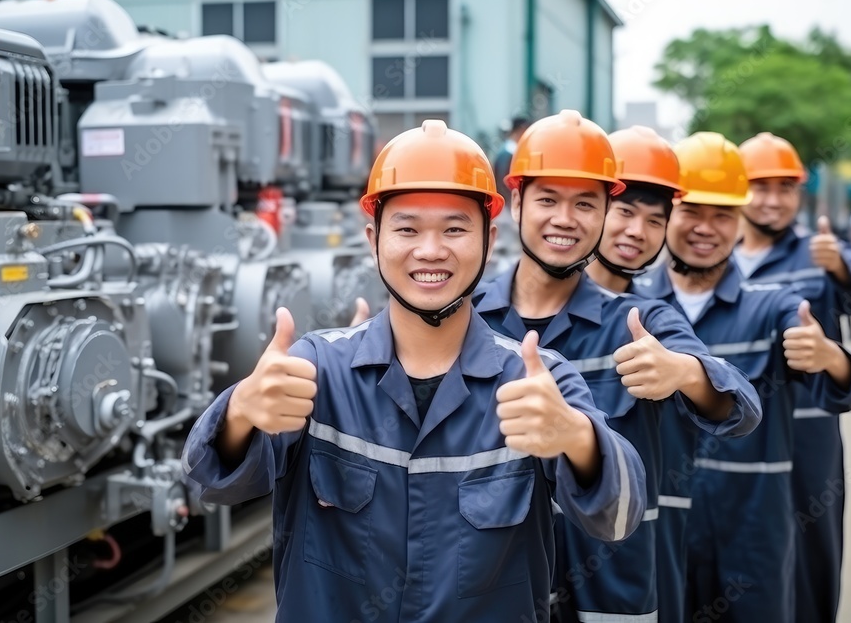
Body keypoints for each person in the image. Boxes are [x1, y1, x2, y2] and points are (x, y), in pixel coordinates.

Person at [182, 119, 647, 622]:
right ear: (373, 237)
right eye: (406, 228)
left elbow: (619, 518)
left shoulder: (536, 382)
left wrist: (576, 438)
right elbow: (208, 484)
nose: (430, 250)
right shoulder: (317, 372)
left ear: (489, 239)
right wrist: (239, 414)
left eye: (454, 228)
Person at [474, 114, 761, 621]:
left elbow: (742, 407)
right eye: (547, 200)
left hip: (608, 585)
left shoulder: (642, 321)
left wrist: (685, 372)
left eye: (584, 203)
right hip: (496, 582)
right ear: (516, 202)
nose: (565, 218)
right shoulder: (467, 316)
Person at [631, 131, 851, 622]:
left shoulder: (772, 307)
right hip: (658, 531)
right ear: (668, 215)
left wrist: (828, 355)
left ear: (740, 221)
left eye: (722, 214)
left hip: (753, 534)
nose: (706, 228)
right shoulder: (633, 308)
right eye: (692, 212)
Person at [584, 125, 757, 623]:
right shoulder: (504, 309)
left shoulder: (655, 319)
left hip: (626, 561)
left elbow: (740, 405)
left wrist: (684, 370)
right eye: (624, 212)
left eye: (655, 220)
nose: (637, 232)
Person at [734, 132, 851, 622]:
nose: (774, 200)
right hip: (738, 430)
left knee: (811, 542)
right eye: (761, 187)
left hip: (808, 430)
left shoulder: (818, 252)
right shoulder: (715, 254)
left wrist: (838, 265)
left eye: (785, 188)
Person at [492, 115, 530, 207]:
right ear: (521, 130)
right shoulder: (508, 153)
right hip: (507, 205)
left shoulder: (509, 151)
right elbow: (502, 182)